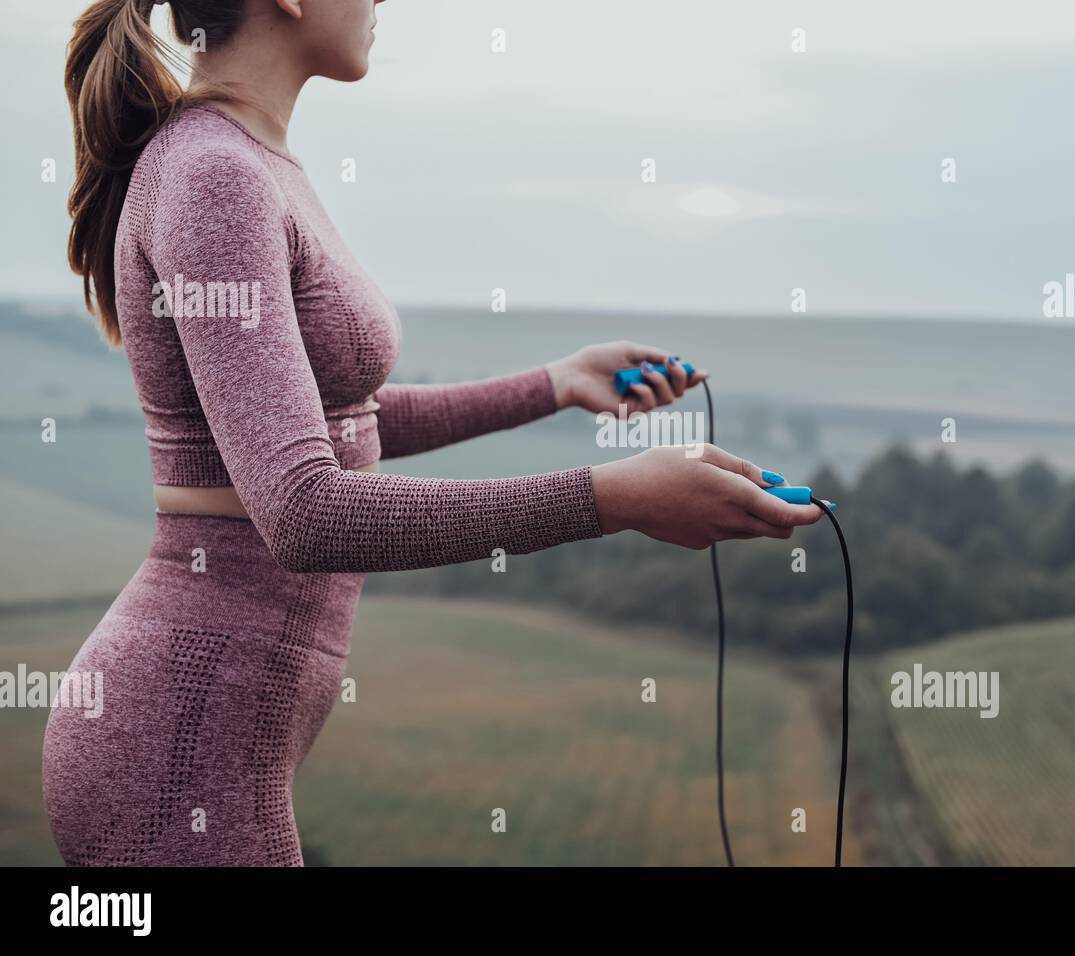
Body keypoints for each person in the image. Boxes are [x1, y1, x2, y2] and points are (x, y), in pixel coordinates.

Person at [44, 0, 823, 866]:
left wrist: (554, 384)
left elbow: (335, 429)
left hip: (204, 743)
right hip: (176, 752)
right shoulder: (213, 175)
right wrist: (615, 498)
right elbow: (304, 512)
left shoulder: (244, 161)